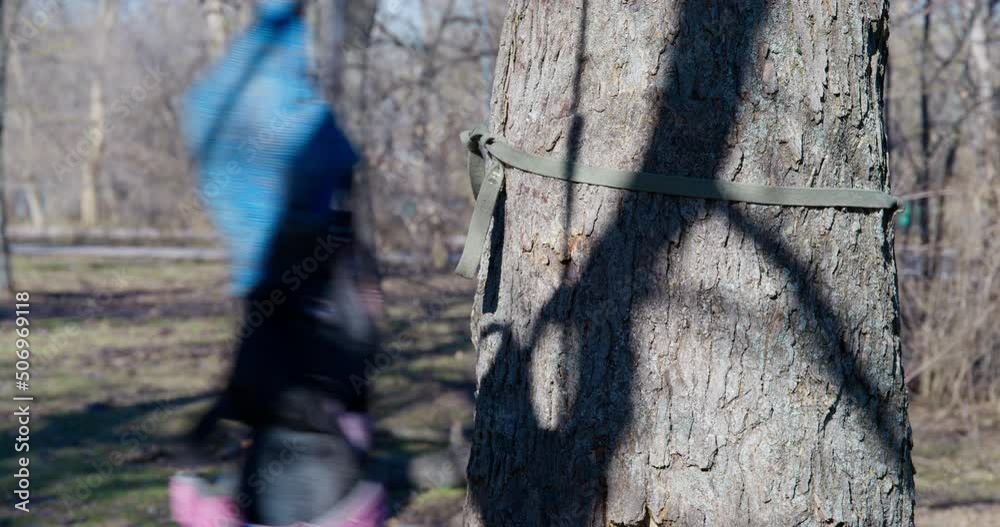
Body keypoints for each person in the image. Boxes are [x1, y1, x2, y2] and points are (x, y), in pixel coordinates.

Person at [171, 1, 384, 525]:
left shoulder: (233, 91)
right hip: (302, 261)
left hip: (280, 265)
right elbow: (332, 159)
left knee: (283, 385)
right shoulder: (269, 96)